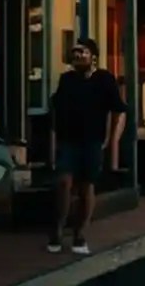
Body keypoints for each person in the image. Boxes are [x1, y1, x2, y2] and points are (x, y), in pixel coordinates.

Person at [48, 38, 127, 255]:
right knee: (64, 182)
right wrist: (53, 143)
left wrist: (112, 142)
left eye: (82, 52)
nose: (77, 56)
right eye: (74, 53)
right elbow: (56, 112)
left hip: (92, 141)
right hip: (68, 141)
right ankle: (58, 228)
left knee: (86, 187)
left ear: (93, 55)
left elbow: (118, 110)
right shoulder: (67, 80)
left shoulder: (104, 79)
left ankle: (79, 233)